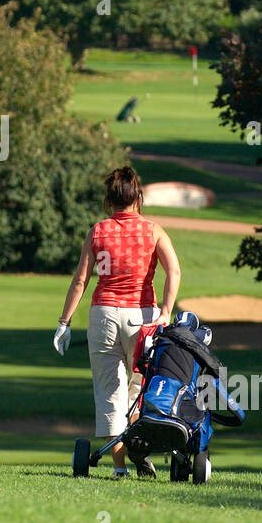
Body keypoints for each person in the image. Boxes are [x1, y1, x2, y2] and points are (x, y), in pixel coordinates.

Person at [53, 166, 181, 477]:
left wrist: (64, 322)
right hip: (142, 316)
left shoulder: (97, 231)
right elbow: (173, 271)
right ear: (138, 197)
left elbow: (80, 280)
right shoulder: (154, 231)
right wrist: (166, 311)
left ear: (109, 201)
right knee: (139, 389)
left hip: (104, 315)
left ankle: (119, 467)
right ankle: (139, 450)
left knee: (109, 389)